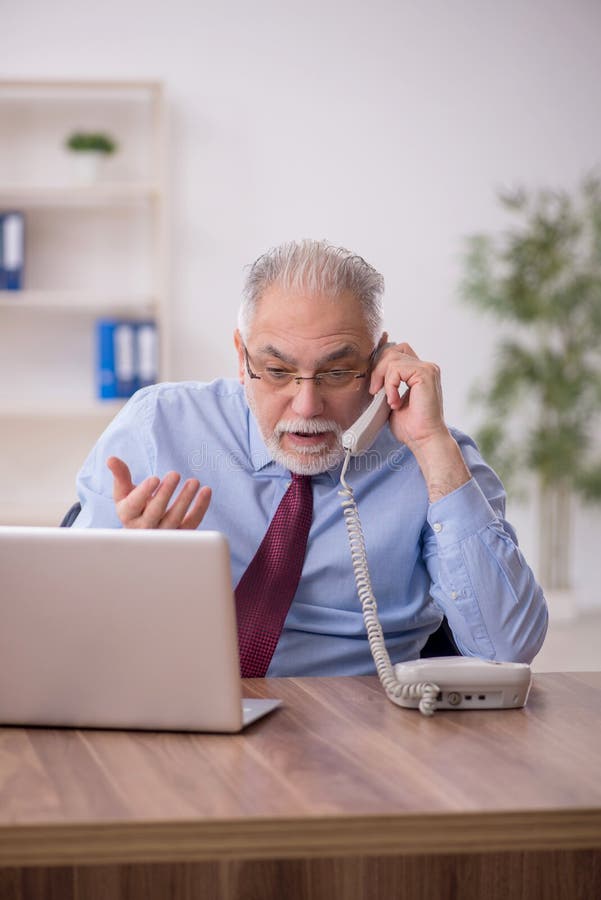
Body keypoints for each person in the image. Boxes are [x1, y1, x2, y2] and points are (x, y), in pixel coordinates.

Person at [73, 239, 548, 675]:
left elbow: (508, 648)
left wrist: (429, 444)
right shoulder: (158, 427)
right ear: (241, 358)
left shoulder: (436, 455)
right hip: (177, 706)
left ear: (380, 359)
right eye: (277, 371)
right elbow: (69, 629)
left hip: (358, 732)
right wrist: (129, 567)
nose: (306, 406)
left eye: (338, 372)